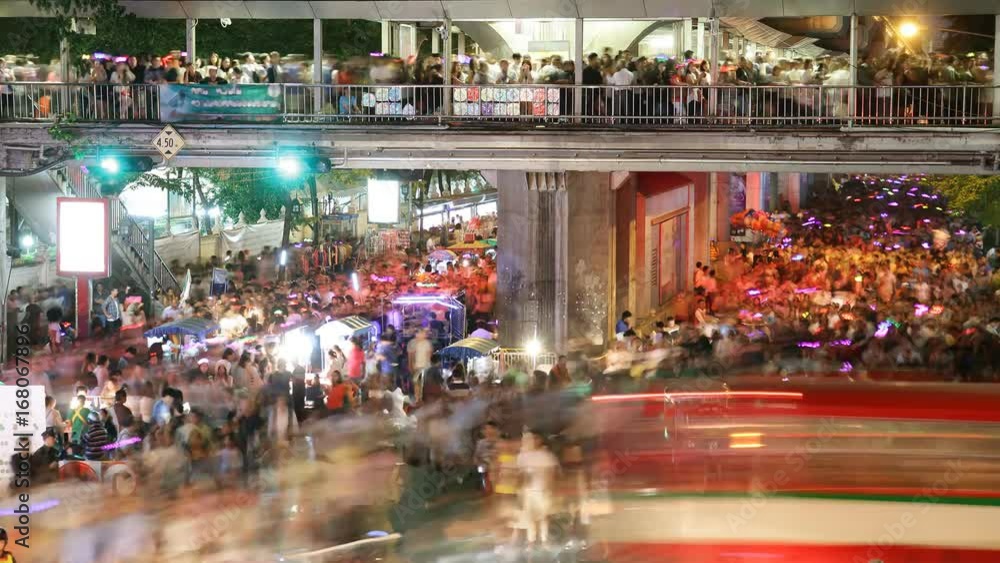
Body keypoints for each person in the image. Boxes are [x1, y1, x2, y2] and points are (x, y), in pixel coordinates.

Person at [516, 431, 559, 545]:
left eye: (535, 438)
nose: (532, 441)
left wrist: (550, 491)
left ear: (540, 440)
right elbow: (520, 475)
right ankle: (531, 541)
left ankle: (544, 541)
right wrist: (520, 492)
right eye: (529, 439)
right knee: (530, 518)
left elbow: (551, 475)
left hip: (542, 491)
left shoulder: (546, 456)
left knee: (543, 517)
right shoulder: (522, 456)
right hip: (528, 492)